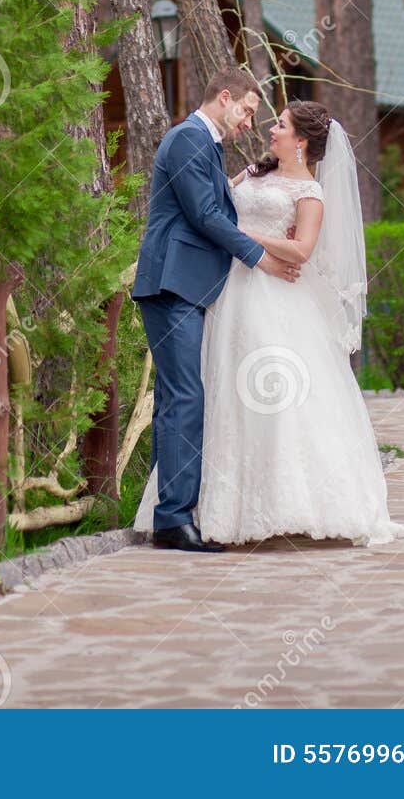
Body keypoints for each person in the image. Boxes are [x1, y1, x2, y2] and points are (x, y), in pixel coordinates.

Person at [134, 99, 404, 548]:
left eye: (281, 125)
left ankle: (286, 503)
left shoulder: (309, 192)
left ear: (301, 141)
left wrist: (247, 236)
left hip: (273, 297)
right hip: (227, 290)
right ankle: (200, 506)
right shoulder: (253, 172)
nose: (270, 128)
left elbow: (302, 250)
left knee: (271, 397)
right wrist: (241, 236)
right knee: (216, 390)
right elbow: (213, 210)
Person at [130, 67, 306, 553]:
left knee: (175, 399)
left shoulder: (205, 144)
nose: (249, 123)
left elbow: (215, 207)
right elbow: (205, 215)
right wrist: (262, 259)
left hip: (187, 285)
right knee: (186, 397)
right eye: (246, 110)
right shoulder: (189, 138)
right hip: (172, 284)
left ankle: (165, 514)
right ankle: (173, 519)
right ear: (224, 97)